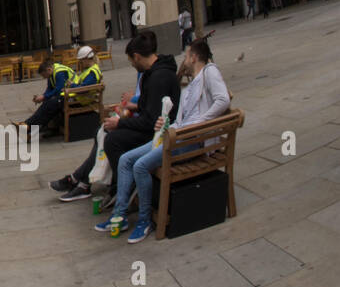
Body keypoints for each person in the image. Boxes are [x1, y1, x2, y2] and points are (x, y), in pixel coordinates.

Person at [96, 38, 230, 242]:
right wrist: (166, 124)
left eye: (186, 56)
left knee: (140, 166)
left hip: (189, 141)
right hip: (175, 136)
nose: (184, 60)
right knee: (125, 160)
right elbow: (181, 117)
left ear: (194, 57)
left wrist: (199, 124)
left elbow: (223, 99)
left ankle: (144, 220)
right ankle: (119, 214)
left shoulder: (210, 71)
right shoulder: (192, 82)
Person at [49, 30, 180, 203]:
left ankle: (118, 186)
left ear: (137, 57)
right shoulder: (155, 72)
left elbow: (150, 119)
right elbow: (147, 107)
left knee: (112, 139)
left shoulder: (158, 77)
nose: (132, 65)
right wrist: (124, 115)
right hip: (155, 126)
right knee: (103, 131)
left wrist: (121, 123)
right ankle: (82, 182)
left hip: (159, 133)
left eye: (131, 61)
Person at [18, 56, 77, 136]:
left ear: (49, 70)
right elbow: (50, 88)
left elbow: (59, 89)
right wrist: (43, 96)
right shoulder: (52, 73)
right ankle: (31, 128)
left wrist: (44, 97)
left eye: (44, 75)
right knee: (48, 104)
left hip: (73, 96)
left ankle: (27, 126)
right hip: (66, 95)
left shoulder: (59, 72)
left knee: (50, 105)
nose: (43, 77)